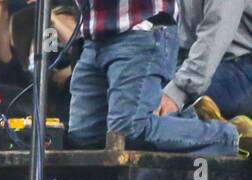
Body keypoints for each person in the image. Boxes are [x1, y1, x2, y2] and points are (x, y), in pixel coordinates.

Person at [68, 0, 239, 155]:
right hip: (93, 37)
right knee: (83, 137)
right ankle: (193, 124)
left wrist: (180, 90)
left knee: (128, 130)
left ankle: (226, 137)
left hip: (140, 28)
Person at [164, 0, 252, 149]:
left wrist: (178, 91)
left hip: (241, 67)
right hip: (205, 65)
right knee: (145, 99)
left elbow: (214, 37)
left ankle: (232, 137)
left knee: (165, 110)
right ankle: (227, 130)